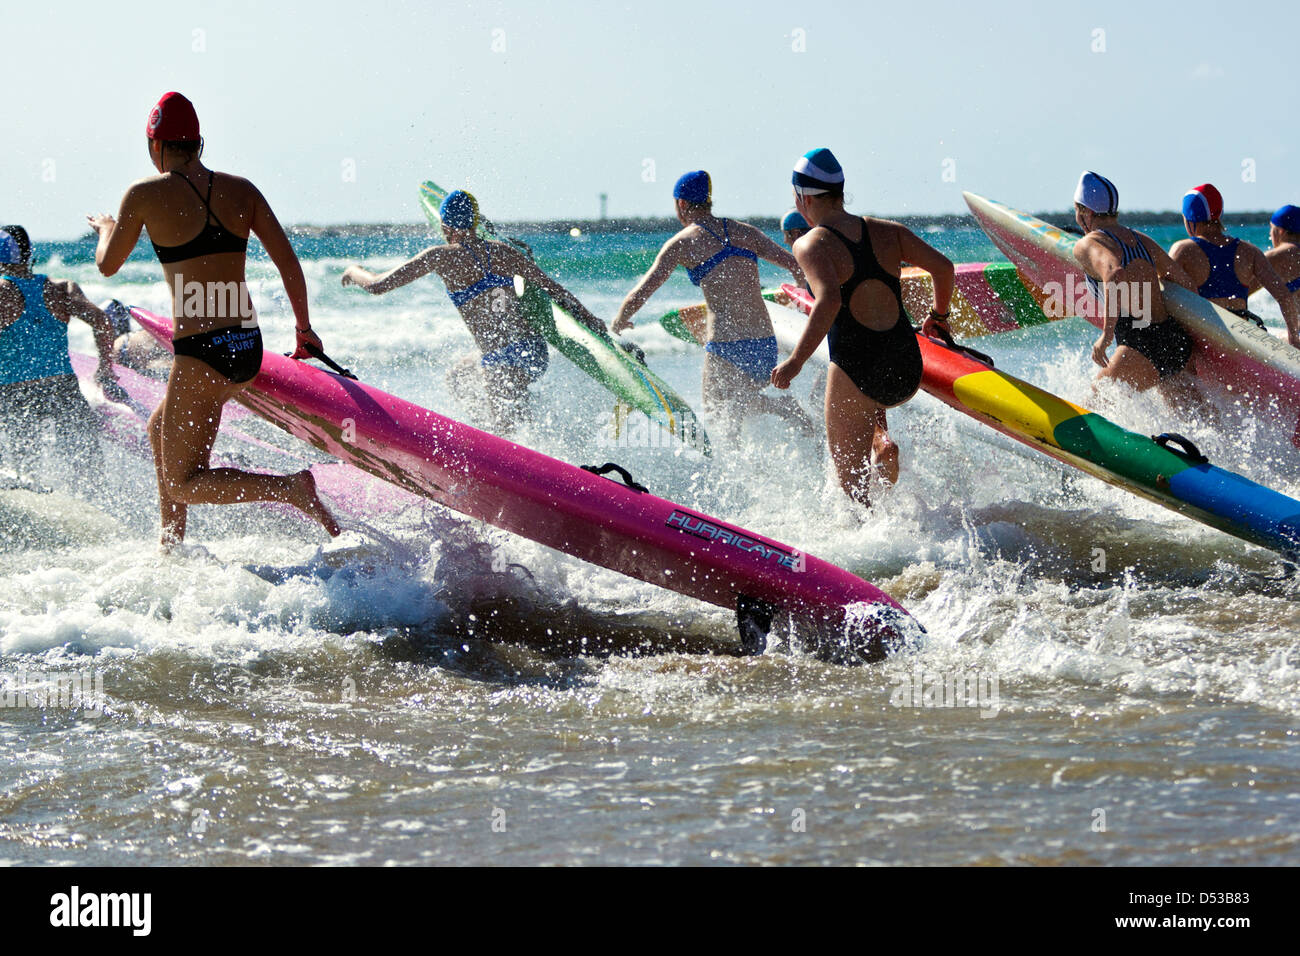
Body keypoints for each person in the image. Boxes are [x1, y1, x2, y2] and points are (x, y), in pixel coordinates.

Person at [88, 91, 339, 548]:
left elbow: (107, 266)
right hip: (246, 348)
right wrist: (304, 332)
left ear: (156, 146)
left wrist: (106, 229)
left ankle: (289, 488)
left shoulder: (144, 194)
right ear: (199, 142)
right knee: (159, 429)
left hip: (202, 355)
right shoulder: (242, 189)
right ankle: (171, 546)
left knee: (185, 481)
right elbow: (289, 264)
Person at [771, 148, 954, 506]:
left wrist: (795, 361)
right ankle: (883, 446)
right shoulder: (889, 231)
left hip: (857, 365)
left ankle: (870, 546)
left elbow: (828, 302)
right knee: (869, 422)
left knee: (852, 491)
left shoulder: (809, 243)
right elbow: (944, 268)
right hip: (905, 366)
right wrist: (939, 316)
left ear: (802, 198)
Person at [342, 189, 605, 433]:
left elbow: (378, 285)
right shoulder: (505, 252)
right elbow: (555, 290)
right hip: (533, 351)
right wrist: (592, 320)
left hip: (503, 361)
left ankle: (526, 460)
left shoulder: (440, 256)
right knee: (458, 377)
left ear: (444, 226)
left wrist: (354, 271)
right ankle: (491, 434)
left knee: (509, 439)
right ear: (474, 222)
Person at [613, 170, 813, 437]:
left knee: (717, 414)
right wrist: (803, 294)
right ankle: (783, 410)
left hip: (725, 346)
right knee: (739, 407)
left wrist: (618, 321)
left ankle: (766, 429)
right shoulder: (745, 232)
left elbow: (643, 291)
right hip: (765, 343)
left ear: (681, 204)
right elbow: (795, 264)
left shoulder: (682, 243)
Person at [1070, 171, 1206, 408]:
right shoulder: (1141, 239)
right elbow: (1186, 284)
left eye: (1076, 210)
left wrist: (1106, 335)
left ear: (1086, 213)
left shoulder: (1088, 243)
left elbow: (1114, 275)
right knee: (1197, 428)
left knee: (1089, 412)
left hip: (1142, 345)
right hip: (1176, 342)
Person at [0, 225, 122, 478]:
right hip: (62, 387)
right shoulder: (61, 288)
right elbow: (102, 322)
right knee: (88, 467)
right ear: (29, 253)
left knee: (26, 473)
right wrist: (105, 368)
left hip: (14, 392)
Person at [1169, 183, 1300, 346]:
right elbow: (1284, 297)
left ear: (1189, 218)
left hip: (1203, 339)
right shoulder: (1250, 252)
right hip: (1239, 342)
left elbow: (1161, 293)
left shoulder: (1183, 250)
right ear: (1219, 214)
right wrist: (1294, 339)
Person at [1260, 204, 1300, 320]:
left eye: (1271, 228)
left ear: (1281, 231)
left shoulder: (1278, 255)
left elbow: (1240, 295)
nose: (1270, 234)